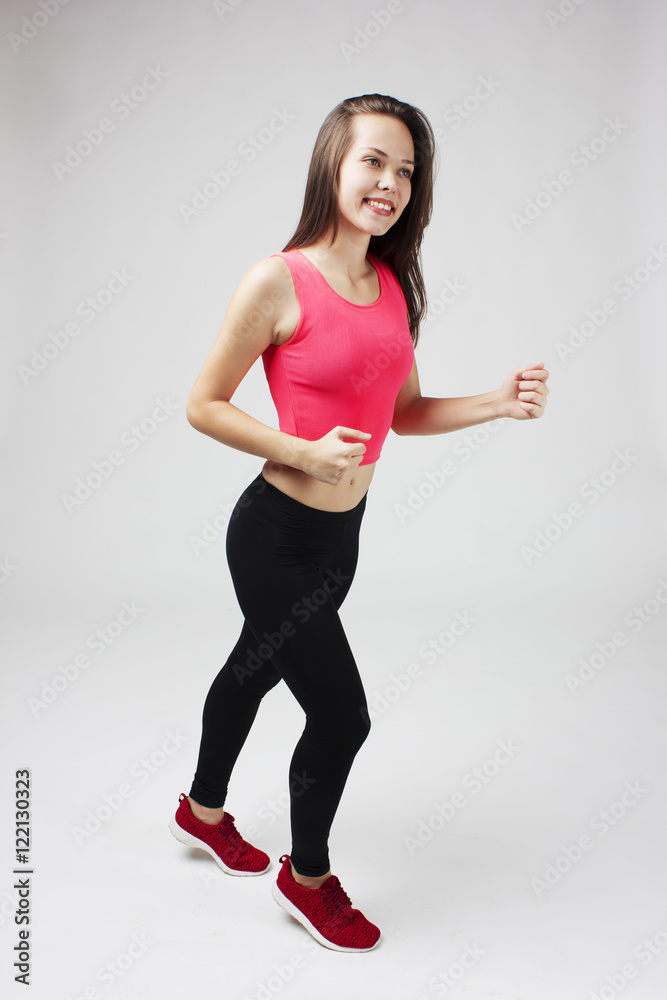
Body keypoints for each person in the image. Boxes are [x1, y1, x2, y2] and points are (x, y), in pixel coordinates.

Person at [169, 93, 549, 953]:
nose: (389, 182)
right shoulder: (277, 279)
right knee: (342, 717)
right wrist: (300, 451)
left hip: (341, 540)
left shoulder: (389, 285)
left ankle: (200, 810)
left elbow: (401, 412)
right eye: (372, 160)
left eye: (406, 170)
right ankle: (306, 881)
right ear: (332, 165)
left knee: (255, 666)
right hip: (273, 536)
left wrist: (491, 402)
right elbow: (202, 404)